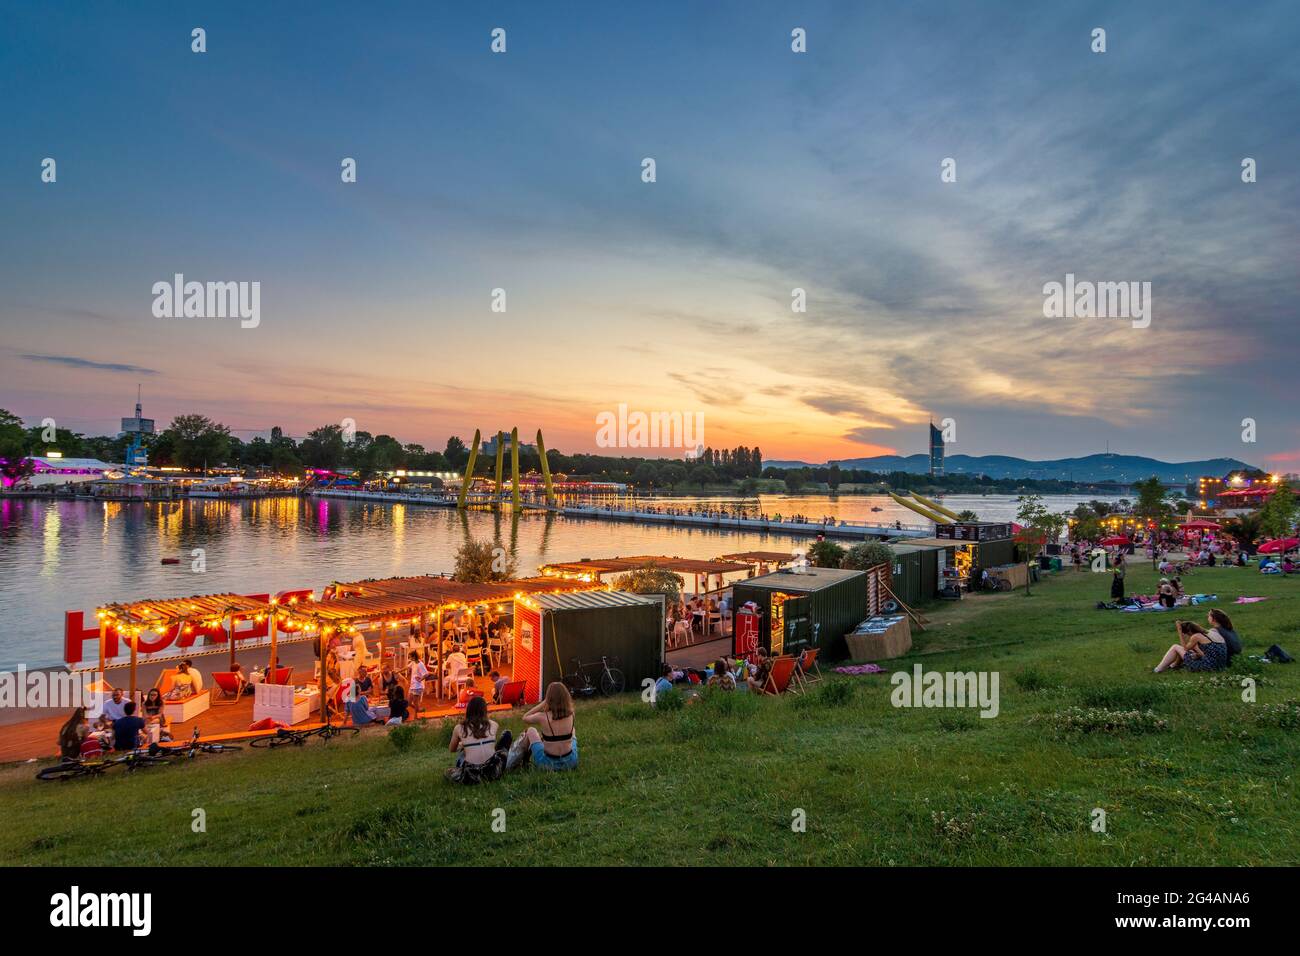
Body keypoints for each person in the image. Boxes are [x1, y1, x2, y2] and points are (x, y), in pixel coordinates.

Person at [445, 696, 512, 784]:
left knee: (449, 770)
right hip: (493, 771)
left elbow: (452, 749)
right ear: (484, 710)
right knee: (507, 734)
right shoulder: (494, 724)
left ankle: (461, 767)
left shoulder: (459, 728)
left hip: (471, 775)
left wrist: (463, 745)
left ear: (468, 710)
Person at [520, 682, 578, 771]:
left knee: (531, 730)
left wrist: (543, 703)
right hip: (570, 763)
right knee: (572, 730)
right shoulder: (571, 714)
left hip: (547, 764)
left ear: (548, 699)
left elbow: (525, 718)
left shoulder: (542, 716)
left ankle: (525, 761)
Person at [1154, 620, 1227, 673]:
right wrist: (1198, 655)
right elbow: (1210, 653)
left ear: (1189, 632)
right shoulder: (1212, 632)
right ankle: (1173, 666)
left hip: (1208, 667)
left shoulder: (1196, 636)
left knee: (1175, 647)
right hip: (1220, 666)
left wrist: (1180, 632)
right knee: (1191, 650)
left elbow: (1185, 648)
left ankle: (1158, 669)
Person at [406, 650, 430, 718]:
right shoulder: (413, 662)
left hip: (418, 686)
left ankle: (416, 716)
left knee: (415, 702)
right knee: (409, 702)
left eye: (410, 657)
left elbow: (426, 674)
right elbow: (407, 667)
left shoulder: (420, 664)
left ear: (414, 657)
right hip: (412, 685)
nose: (409, 658)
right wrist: (398, 671)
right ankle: (419, 710)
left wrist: (420, 679)